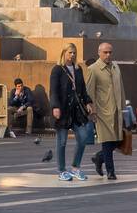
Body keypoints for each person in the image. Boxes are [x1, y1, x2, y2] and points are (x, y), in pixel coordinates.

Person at [50, 44, 93, 181]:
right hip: (63, 110)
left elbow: (83, 89)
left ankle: (75, 167)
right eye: (70, 52)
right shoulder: (57, 69)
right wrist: (55, 106)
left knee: (83, 137)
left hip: (76, 110)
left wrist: (88, 102)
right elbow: (53, 90)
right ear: (64, 53)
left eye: (74, 53)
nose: (72, 55)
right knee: (62, 142)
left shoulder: (78, 69)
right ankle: (62, 170)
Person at [85, 42, 125, 180]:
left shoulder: (115, 67)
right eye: (105, 52)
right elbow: (89, 91)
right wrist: (92, 110)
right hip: (102, 111)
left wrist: (123, 108)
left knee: (118, 140)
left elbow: (121, 88)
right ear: (99, 53)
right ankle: (111, 171)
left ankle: (99, 157)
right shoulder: (93, 69)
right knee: (107, 142)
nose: (108, 55)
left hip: (116, 110)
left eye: (110, 52)